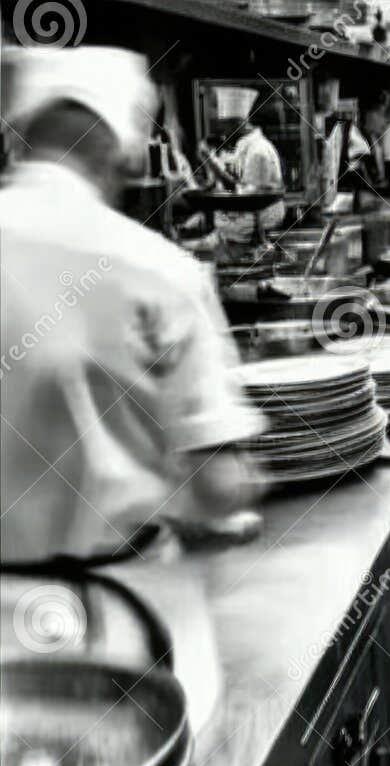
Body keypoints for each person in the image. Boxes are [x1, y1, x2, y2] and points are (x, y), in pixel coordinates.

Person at [1, 46, 263, 613]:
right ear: (116, 152)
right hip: (125, 601)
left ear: (21, 140)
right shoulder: (158, 268)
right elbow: (219, 487)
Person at [202, 85, 286, 255]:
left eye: (225, 127)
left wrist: (210, 162)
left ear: (237, 124)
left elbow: (246, 198)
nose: (222, 133)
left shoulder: (258, 151)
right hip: (229, 236)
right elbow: (223, 187)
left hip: (249, 240)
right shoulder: (237, 148)